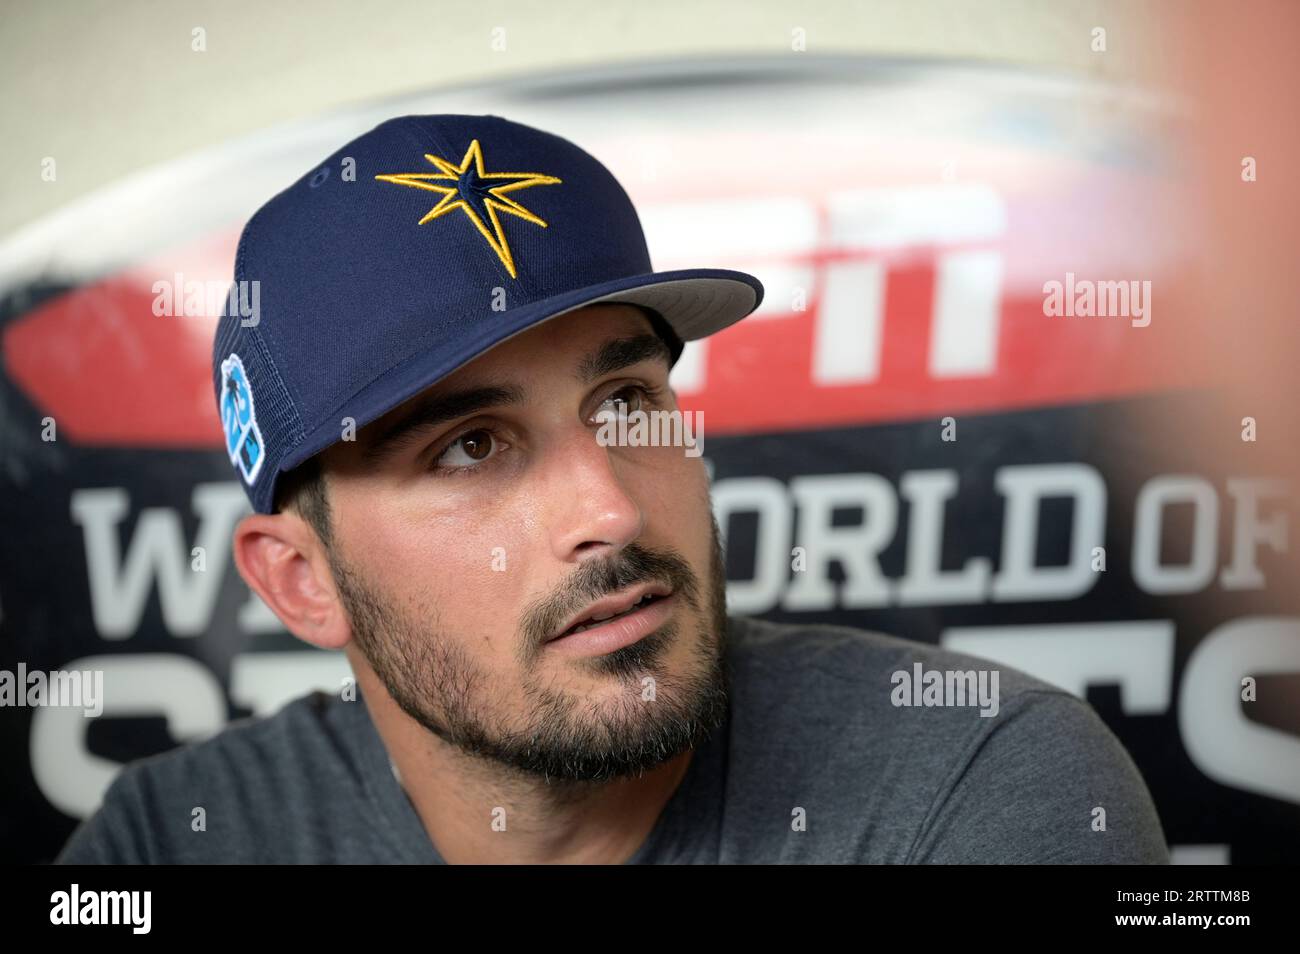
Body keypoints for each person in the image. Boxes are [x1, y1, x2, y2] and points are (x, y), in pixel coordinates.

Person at [57, 114, 1168, 864]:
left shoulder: (975, 787)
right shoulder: (169, 841)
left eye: (626, 404)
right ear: (301, 584)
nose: (612, 512)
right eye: (469, 448)